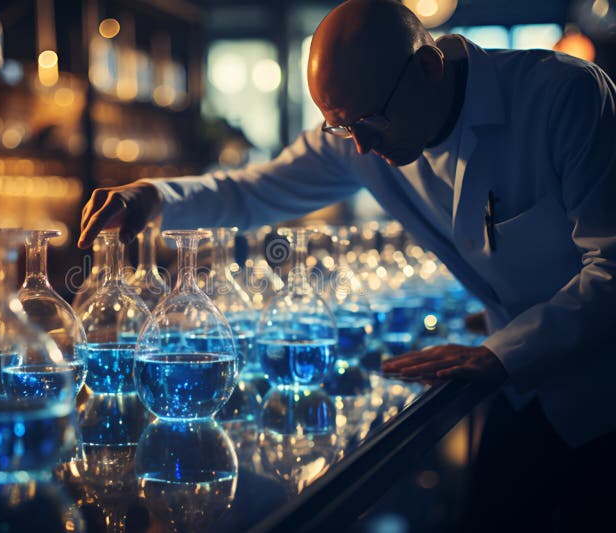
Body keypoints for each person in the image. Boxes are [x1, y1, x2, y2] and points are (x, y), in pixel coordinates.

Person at [78, 0, 616, 529]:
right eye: (339, 127)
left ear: (428, 68)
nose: (358, 145)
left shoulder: (562, 97)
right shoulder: (361, 132)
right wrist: (151, 197)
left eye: (366, 121)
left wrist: (502, 352)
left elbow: (611, 266)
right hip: (519, 387)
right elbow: (254, 192)